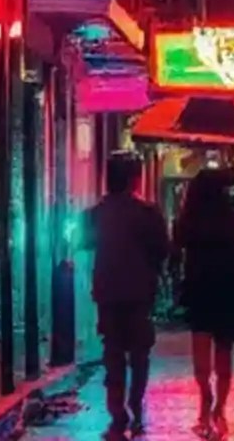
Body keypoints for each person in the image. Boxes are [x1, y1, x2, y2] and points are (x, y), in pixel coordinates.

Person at [83, 151, 170, 440]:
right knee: (139, 353)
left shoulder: (96, 214)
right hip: (138, 293)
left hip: (108, 293)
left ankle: (117, 411)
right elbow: (163, 250)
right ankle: (134, 405)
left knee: (113, 353)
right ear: (135, 179)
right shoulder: (148, 214)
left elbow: (83, 241)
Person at [170, 167, 234, 439]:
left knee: (201, 353)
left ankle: (205, 399)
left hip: (200, 290)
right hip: (230, 292)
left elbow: (175, 254)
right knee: (224, 353)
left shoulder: (190, 221)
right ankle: (219, 407)